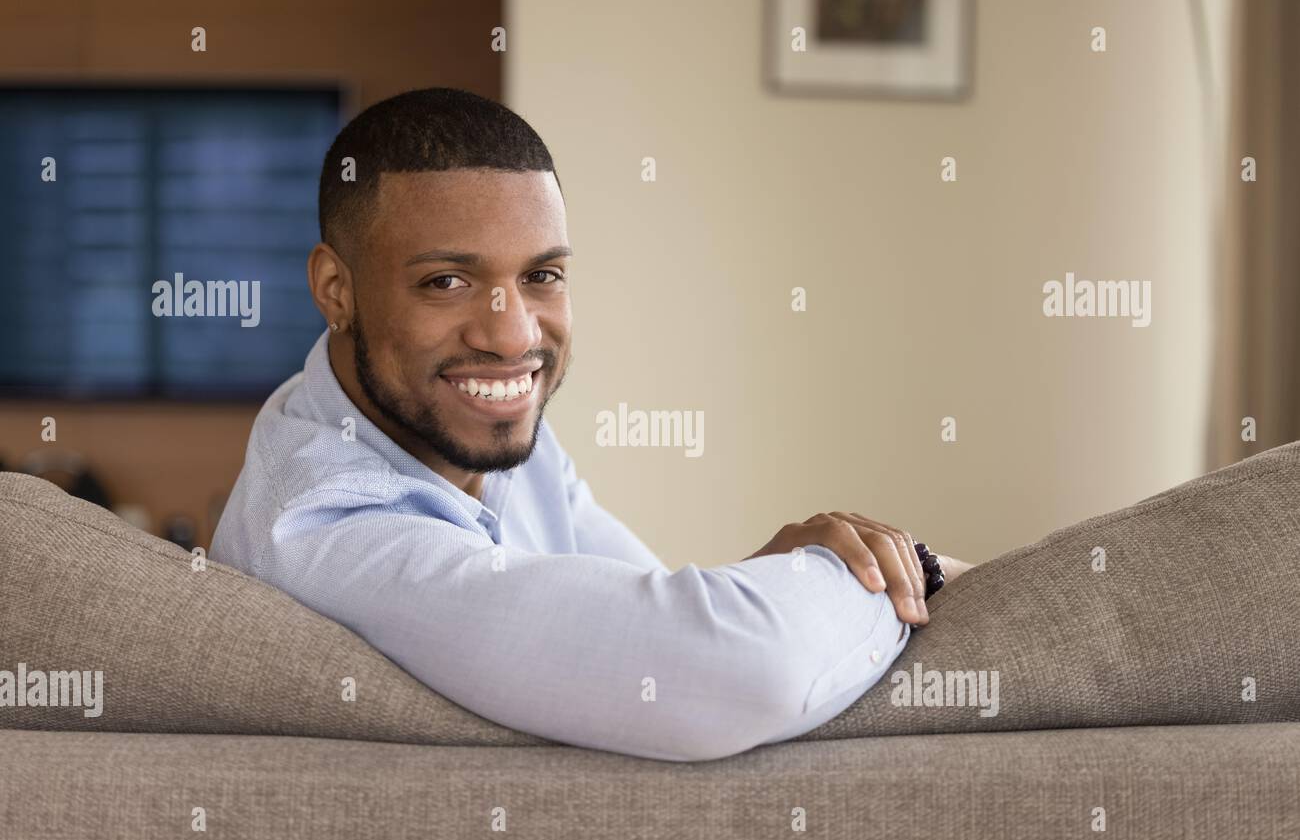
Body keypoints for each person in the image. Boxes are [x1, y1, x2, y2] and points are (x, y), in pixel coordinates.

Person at [211, 87, 975, 762]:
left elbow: (651, 618)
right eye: (447, 281)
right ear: (335, 289)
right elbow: (737, 670)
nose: (512, 338)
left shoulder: (480, 432)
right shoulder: (325, 521)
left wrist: (756, 587)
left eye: (541, 275)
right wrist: (896, 573)